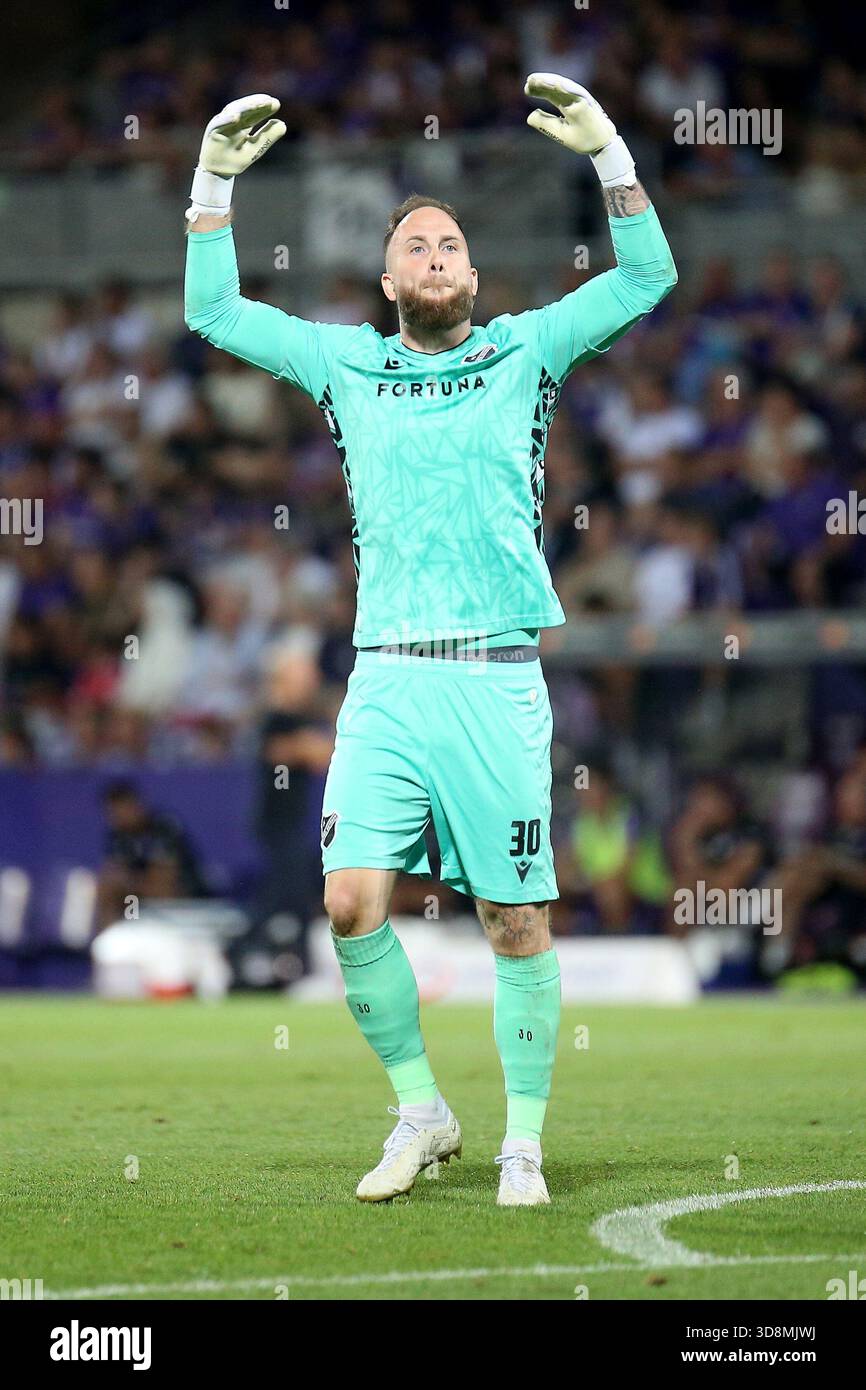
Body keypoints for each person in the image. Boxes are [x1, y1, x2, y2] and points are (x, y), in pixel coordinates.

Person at [183, 79, 677, 1205]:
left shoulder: (526, 349)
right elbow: (215, 314)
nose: (437, 253)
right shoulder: (344, 362)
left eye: (451, 240)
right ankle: (422, 1109)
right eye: (416, 244)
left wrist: (608, 156)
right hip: (388, 682)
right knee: (350, 903)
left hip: (496, 678)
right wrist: (211, 185)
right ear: (390, 278)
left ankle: (523, 1144)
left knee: (514, 918)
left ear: (471, 271)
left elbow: (648, 278)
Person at [98, 780, 207, 929]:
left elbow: (163, 885)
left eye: (123, 810)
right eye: (113, 813)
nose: (119, 817)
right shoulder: (119, 836)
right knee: (111, 893)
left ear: (137, 805)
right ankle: (115, 939)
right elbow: (114, 878)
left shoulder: (164, 827)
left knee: (154, 891)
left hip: (184, 901)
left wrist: (127, 883)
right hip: (140, 900)